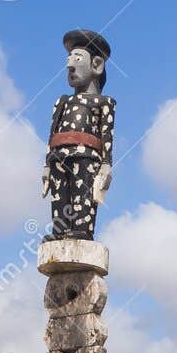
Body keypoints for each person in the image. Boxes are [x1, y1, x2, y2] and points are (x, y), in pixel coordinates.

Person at [42, 29, 115, 241]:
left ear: (96, 65)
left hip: (87, 156)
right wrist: (47, 165)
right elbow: (53, 132)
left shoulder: (103, 103)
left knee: (83, 194)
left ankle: (82, 229)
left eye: (78, 58)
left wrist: (106, 164)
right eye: (69, 59)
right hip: (58, 155)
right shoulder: (62, 101)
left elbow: (107, 135)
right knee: (60, 196)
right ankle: (59, 230)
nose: (70, 65)